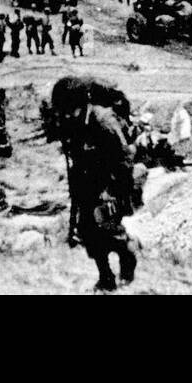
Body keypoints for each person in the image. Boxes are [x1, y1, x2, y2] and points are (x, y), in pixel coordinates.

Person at [49, 76, 138, 292]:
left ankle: (127, 256)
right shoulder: (72, 120)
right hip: (87, 185)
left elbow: (124, 159)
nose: (67, 116)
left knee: (109, 231)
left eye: (70, 111)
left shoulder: (104, 122)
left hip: (110, 187)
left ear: (81, 104)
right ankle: (106, 278)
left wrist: (116, 193)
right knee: (89, 235)